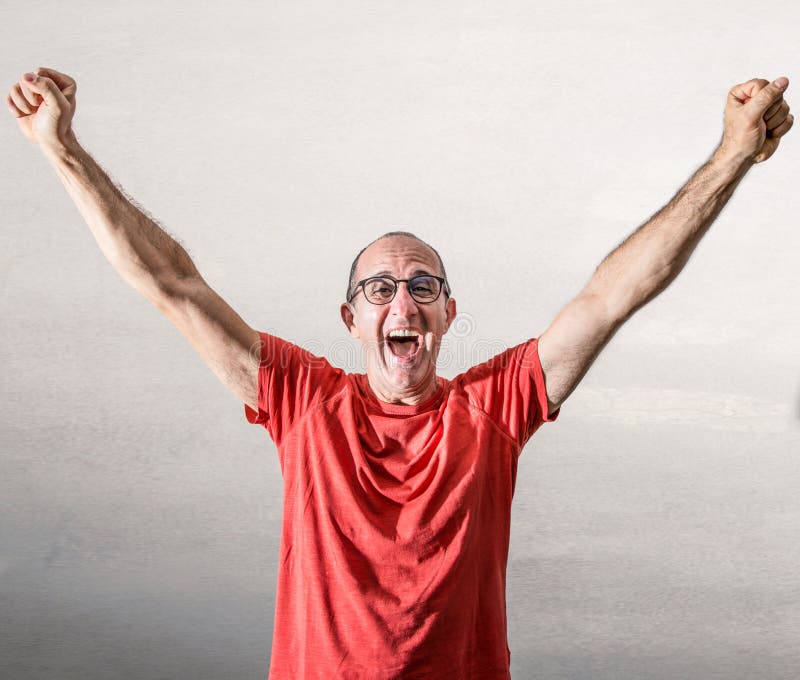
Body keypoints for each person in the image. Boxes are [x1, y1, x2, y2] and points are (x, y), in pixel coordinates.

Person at [6, 67, 793, 679]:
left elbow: (612, 295)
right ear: (352, 319)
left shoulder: (493, 408)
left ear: (448, 314)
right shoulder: (304, 401)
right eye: (379, 289)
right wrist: (62, 148)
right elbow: (173, 284)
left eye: (423, 287)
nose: (403, 300)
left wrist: (732, 154)